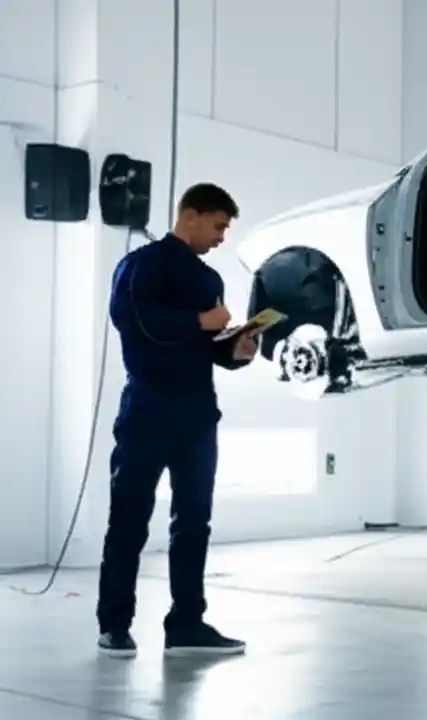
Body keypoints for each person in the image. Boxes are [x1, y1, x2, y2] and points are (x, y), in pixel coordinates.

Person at [95, 183, 258, 658]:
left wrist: (237, 349)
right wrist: (199, 323)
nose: (221, 236)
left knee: (193, 520)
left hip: (196, 415)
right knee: (128, 517)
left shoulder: (209, 281)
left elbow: (207, 349)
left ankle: (186, 623)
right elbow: (133, 320)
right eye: (218, 225)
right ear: (190, 216)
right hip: (146, 409)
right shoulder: (140, 265)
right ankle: (114, 625)